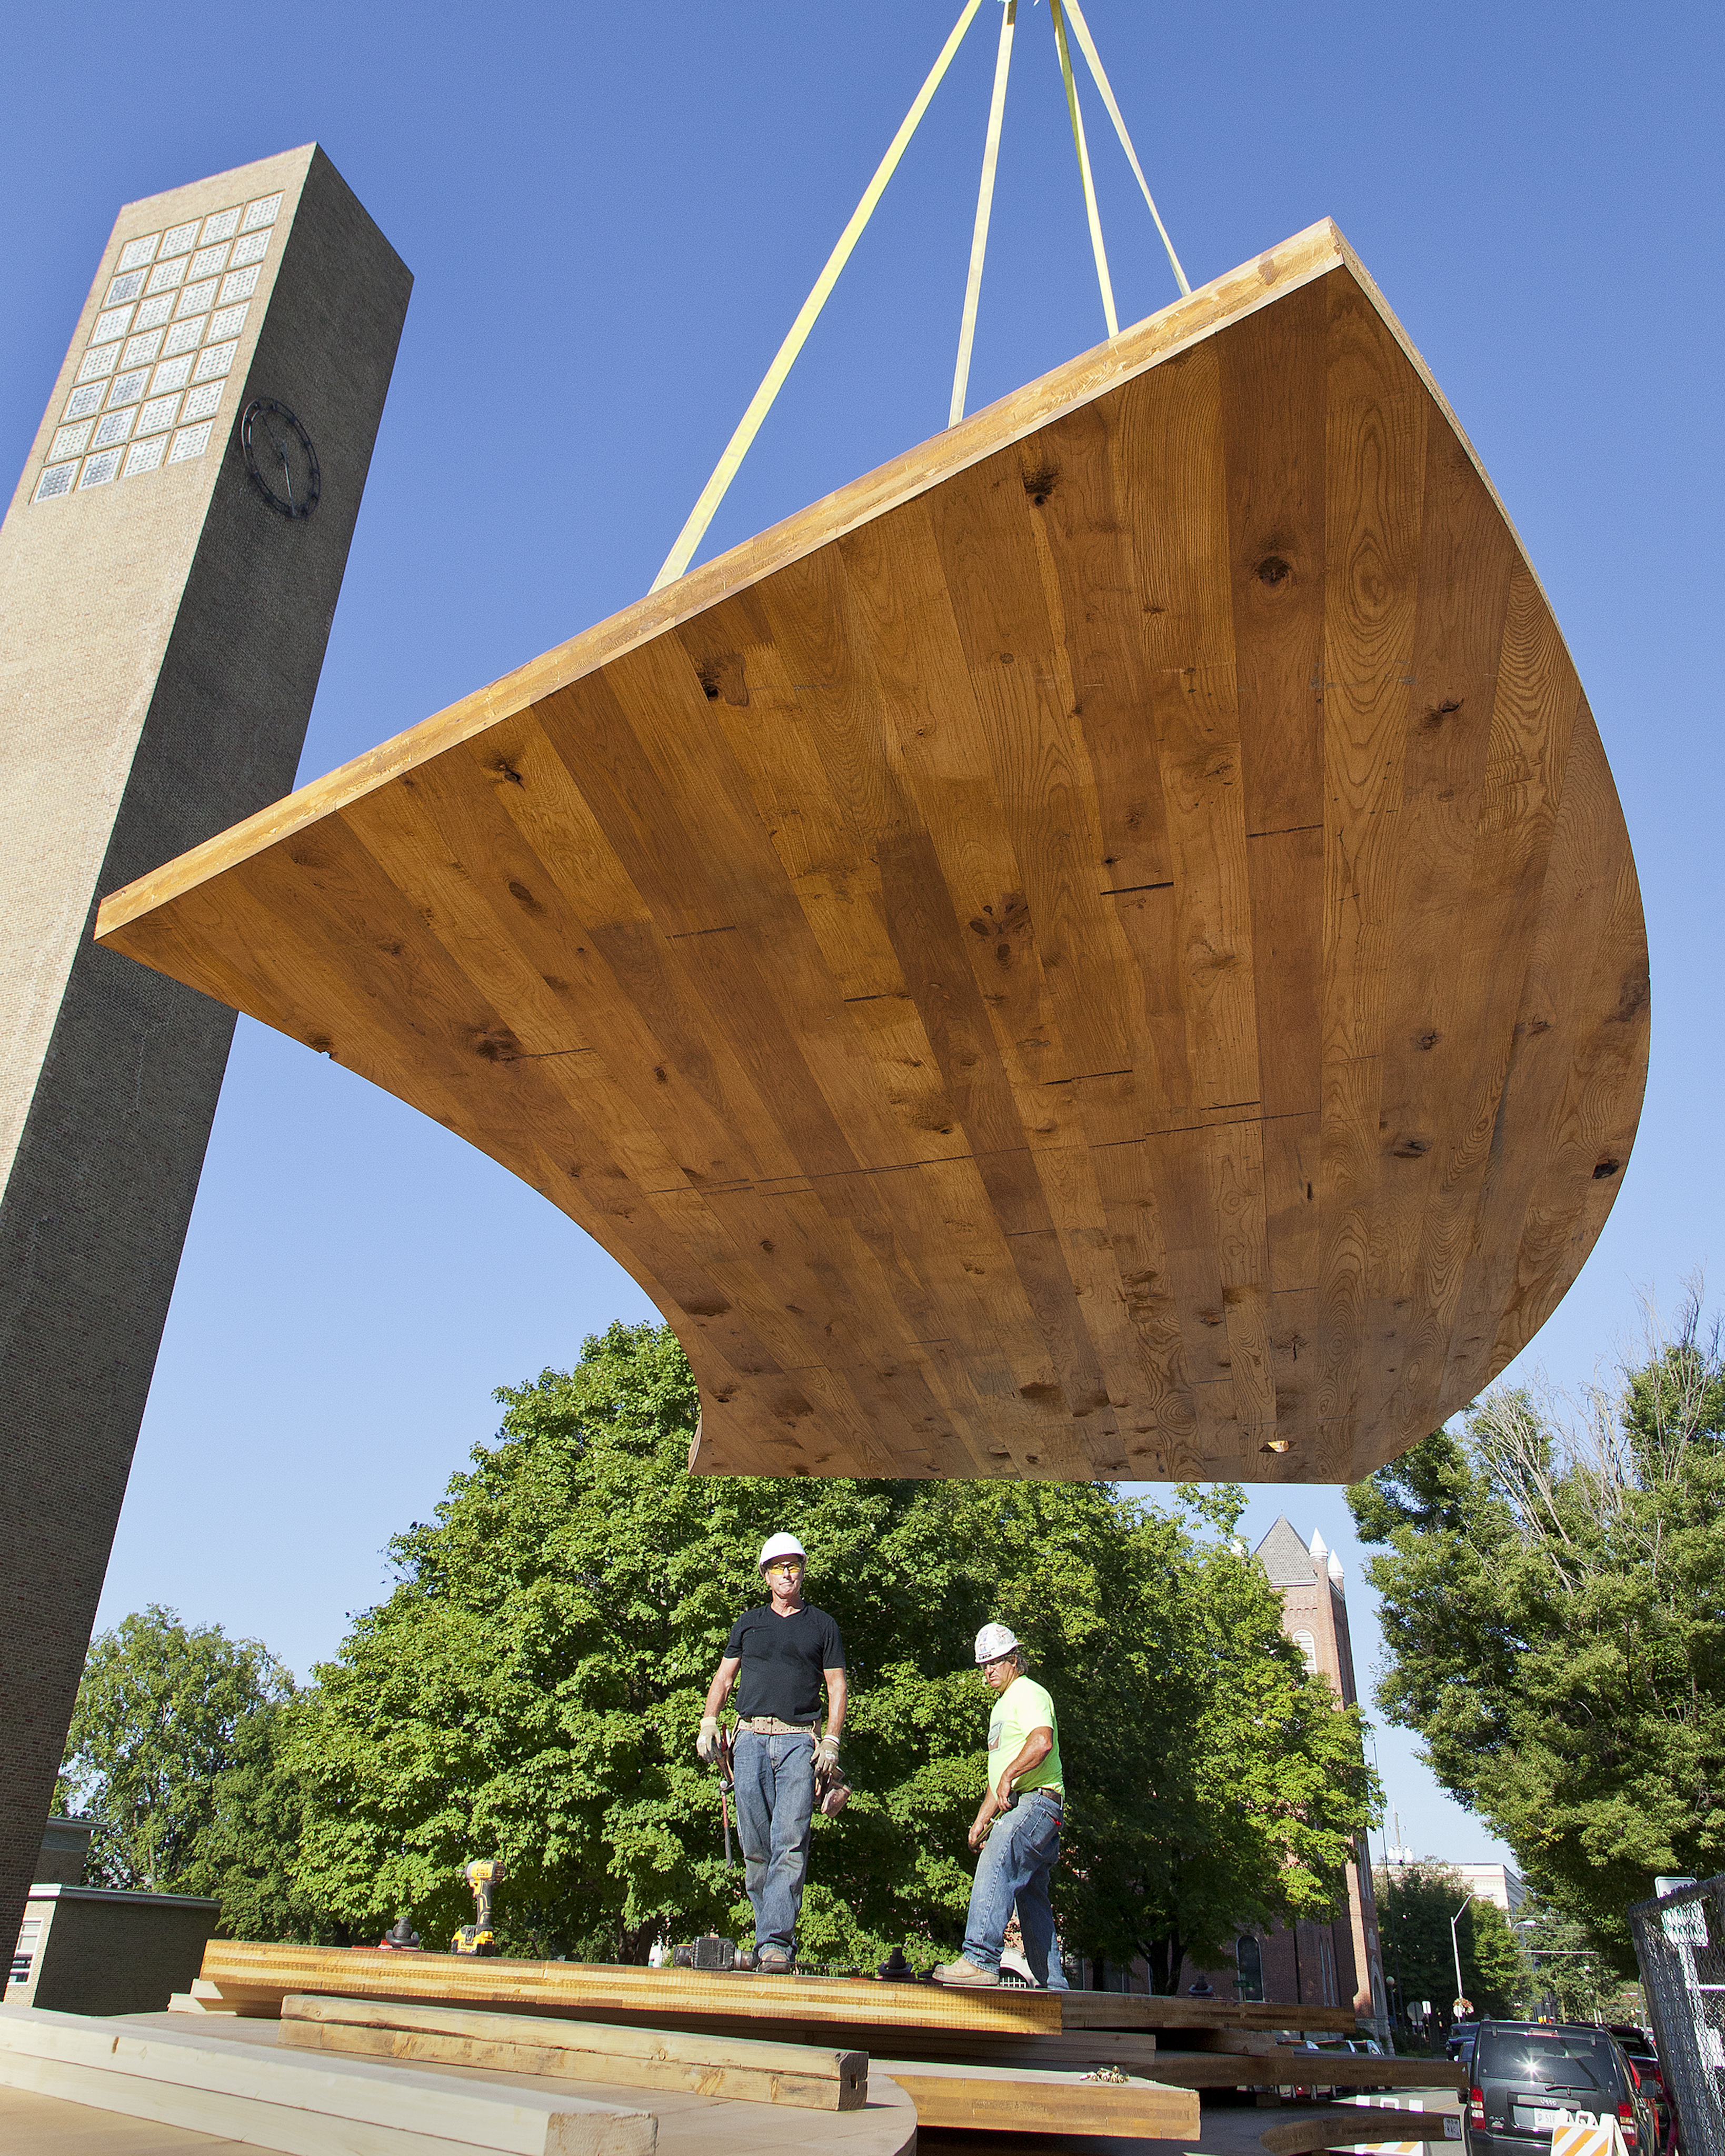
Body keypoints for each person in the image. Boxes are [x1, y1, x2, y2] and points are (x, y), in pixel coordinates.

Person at [698, 1531, 845, 1974]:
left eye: (793, 1565)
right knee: (756, 1848)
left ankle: (775, 1944)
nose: (787, 1572)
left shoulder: (822, 1625)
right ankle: (770, 1943)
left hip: (798, 1743)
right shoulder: (748, 1623)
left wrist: (833, 1741)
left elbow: (836, 1686)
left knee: (790, 1843)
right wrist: (709, 1721)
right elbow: (724, 1680)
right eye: (778, 1566)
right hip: (747, 1743)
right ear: (766, 1575)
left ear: (802, 1571)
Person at [934, 1622, 1066, 1988]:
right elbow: (1001, 1777)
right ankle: (1053, 1984)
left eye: (994, 1662)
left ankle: (979, 1958)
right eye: (983, 1665)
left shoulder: (1029, 1693)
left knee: (997, 1858)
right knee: (1032, 1895)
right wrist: (981, 1819)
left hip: (1036, 1803)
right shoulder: (1003, 1705)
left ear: (1013, 1659)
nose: (988, 1671)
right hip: (1031, 1806)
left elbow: (1041, 1743)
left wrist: (1008, 1776)